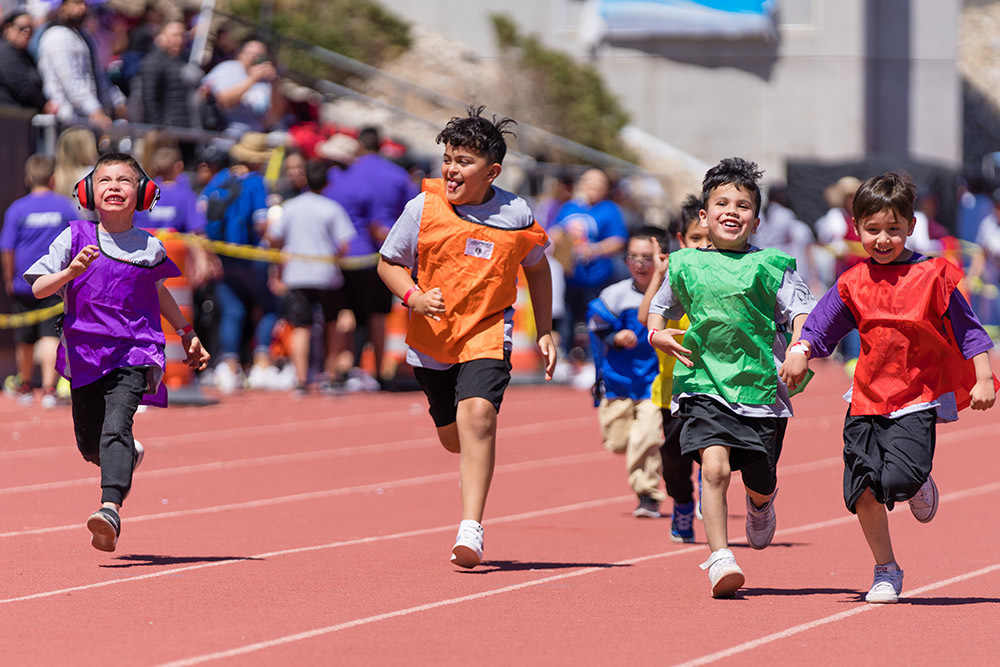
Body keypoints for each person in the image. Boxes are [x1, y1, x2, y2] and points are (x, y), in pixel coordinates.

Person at [779, 170, 998, 605]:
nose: (883, 239)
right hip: (865, 398)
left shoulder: (934, 275)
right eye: (872, 229)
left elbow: (969, 330)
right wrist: (800, 349)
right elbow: (821, 326)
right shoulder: (852, 281)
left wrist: (984, 377)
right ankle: (885, 569)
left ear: (911, 226)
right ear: (856, 227)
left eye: (893, 229)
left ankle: (918, 483)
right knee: (861, 488)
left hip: (916, 397)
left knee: (898, 479)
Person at [377, 106, 557, 569]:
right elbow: (388, 263)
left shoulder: (516, 213)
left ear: (491, 171)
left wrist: (545, 329)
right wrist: (414, 297)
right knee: (454, 439)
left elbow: (537, 269)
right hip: (433, 338)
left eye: (464, 161)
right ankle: (472, 454)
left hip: (488, 330)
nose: (452, 170)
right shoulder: (423, 207)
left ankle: (471, 527)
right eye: (448, 159)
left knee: (478, 416)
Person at [23, 151, 209, 552]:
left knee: (116, 426)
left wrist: (186, 332)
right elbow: (37, 288)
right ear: (88, 191)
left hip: (135, 350)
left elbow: (159, 293)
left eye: (124, 180)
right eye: (105, 180)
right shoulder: (73, 237)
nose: (114, 187)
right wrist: (70, 272)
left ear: (143, 193)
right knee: (90, 443)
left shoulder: (150, 247)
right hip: (85, 355)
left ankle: (109, 509)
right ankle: (125, 455)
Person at [647, 158, 815, 598]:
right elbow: (660, 307)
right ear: (704, 216)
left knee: (761, 479)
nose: (731, 211)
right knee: (715, 468)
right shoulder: (684, 264)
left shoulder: (771, 265)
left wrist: (798, 349)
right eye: (722, 203)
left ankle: (761, 504)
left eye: (743, 206)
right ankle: (720, 557)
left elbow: (803, 312)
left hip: (760, 389)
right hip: (703, 383)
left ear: (756, 221)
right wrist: (655, 333)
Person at [638, 194, 710, 542]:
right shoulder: (674, 277)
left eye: (708, 238)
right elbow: (645, 318)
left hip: (713, 384)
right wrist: (659, 274)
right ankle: (682, 501)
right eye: (695, 238)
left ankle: (709, 481)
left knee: (713, 451)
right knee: (673, 459)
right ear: (681, 240)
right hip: (673, 390)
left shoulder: (721, 276)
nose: (702, 245)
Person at [325, 125, 417, 388]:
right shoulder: (398, 175)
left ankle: (340, 369)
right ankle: (377, 371)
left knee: (345, 312)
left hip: (343, 253)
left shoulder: (344, 174)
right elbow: (414, 212)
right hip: (382, 252)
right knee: (378, 313)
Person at [587, 226, 666, 519]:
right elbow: (597, 332)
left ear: (662, 259)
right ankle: (642, 456)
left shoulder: (671, 294)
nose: (640, 264)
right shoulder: (614, 296)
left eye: (647, 258)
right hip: (618, 380)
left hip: (654, 381)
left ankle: (648, 495)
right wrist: (616, 338)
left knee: (646, 436)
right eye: (633, 257)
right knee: (618, 442)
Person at [199, 132, 281, 392]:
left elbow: (202, 212)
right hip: (251, 255)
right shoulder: (256, 183)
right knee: (270, 307)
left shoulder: (220, 179)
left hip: (223, 255)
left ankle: (229, 365)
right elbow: (261, 222)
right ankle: (262, 363)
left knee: (232, 311)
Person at [267, 159, 356, 394]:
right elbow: (345, 243)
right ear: (327, 182)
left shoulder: (292, 206)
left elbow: (273, 237)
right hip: (327, 275)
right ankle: (332, 375)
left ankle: (300, 380)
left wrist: (281, 260)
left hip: (298, 275)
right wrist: (333, 256)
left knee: (301, 327)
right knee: (332, 324)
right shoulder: (332, 208)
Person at [0, 154, 76, 407]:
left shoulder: (17, 209)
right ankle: (48, 389)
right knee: (49, 335)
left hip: (23, 282)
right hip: (53, 281)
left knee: (24, 336)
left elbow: (7, 247)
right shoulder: (65, 207)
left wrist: (9, 278)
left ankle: (24, 385)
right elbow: (78, 239)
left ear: (28, 179)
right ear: (53, 179)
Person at [549, 168, 628, 366]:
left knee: (595, 320)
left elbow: (619, 240)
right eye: (590, 182)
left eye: (598, 184)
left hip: (598, 277)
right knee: (567, 319)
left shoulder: (610, 210)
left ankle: (595, 360)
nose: (593, 188)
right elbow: (555, 230)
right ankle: (565, 360)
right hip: (570, 276)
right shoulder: (568, 207)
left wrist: (595, 250)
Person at [37, 0, 127, 130]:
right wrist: (94, 110)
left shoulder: (83, 35)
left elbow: (98, 75)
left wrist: (118, 102)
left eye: (84, 4)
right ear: (63, 6)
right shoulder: (57, 35)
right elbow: (71, 82)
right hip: (66, 120)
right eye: (76, 3)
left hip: (86, 120)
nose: (82, 8)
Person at [200, 37, 276, 135]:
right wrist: (252, 80)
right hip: (227, 133)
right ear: (240, 54)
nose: (254, 58)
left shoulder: (266, 80)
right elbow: (224, 101)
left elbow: (273, 118)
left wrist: (275, 83)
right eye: (251, 54)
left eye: (260, 56)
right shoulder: (228, 68)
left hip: (256, 136)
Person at [139, 20, 195, 129]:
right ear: (162, 37)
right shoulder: (153, 62)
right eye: (174, 35)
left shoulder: (185, 61)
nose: (179, 40)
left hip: (186, 126)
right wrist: (159, 127)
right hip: (167, 128)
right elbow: (149, 99)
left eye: (182, 36)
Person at [0, 9, 50, 112]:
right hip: (10, 116)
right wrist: (45, 105)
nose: (27, 31)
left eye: (30, 28)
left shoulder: (26, 54)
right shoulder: (5, 51)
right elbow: (22, 87)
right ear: (7, 28)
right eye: (22, 28)